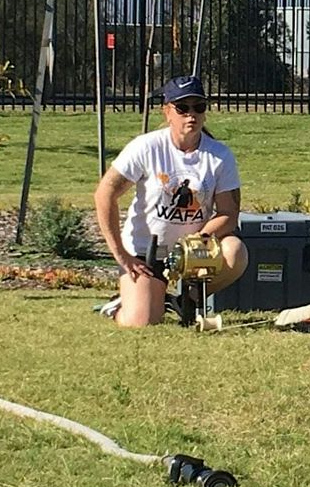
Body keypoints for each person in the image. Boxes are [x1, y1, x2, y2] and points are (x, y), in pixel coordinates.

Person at [94, 75, 248, 328]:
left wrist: (199, 239)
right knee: (140, 321)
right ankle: (121, 304)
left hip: (192, 253)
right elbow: (104, 193)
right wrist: (122, 255)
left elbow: (229, 213)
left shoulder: (220, 156)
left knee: (235, 252)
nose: (191, 115)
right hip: (145, 253)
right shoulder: (146, 147)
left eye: (198, 107)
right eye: (182, 108)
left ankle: (186, 299)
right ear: (167, 112)